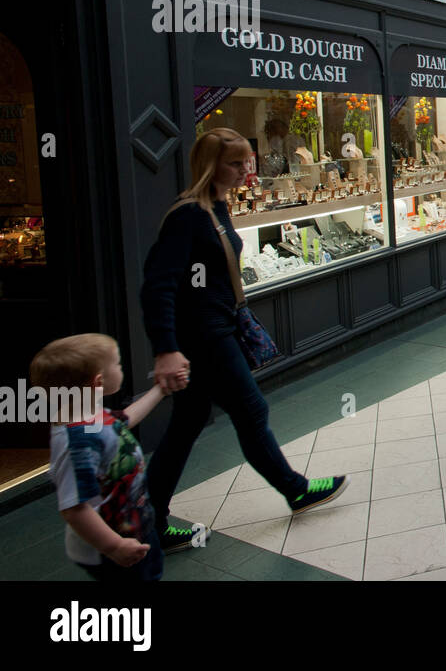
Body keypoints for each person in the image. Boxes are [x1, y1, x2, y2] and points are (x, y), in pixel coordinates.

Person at [141, 128, 347, 554]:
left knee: (186, 425)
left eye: (246, 161)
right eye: (236, 163)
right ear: (210, 165)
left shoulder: (215, 207)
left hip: (216, 328)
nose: (245, 170)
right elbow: (158, 286)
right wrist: (166, 347)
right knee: (251, 409)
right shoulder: (188, 216)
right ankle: (295, 489)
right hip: (204, 336)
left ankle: (148, 520)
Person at [33, 333, 168, 581]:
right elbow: (74, 508)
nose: (120, 367)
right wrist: (114, 546)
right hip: (111, 547)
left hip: (136, 525)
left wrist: (160, 390)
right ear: (98, 381)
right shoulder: (77, 440)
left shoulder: (91, 413)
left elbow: (124, 420)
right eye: (117, 364)